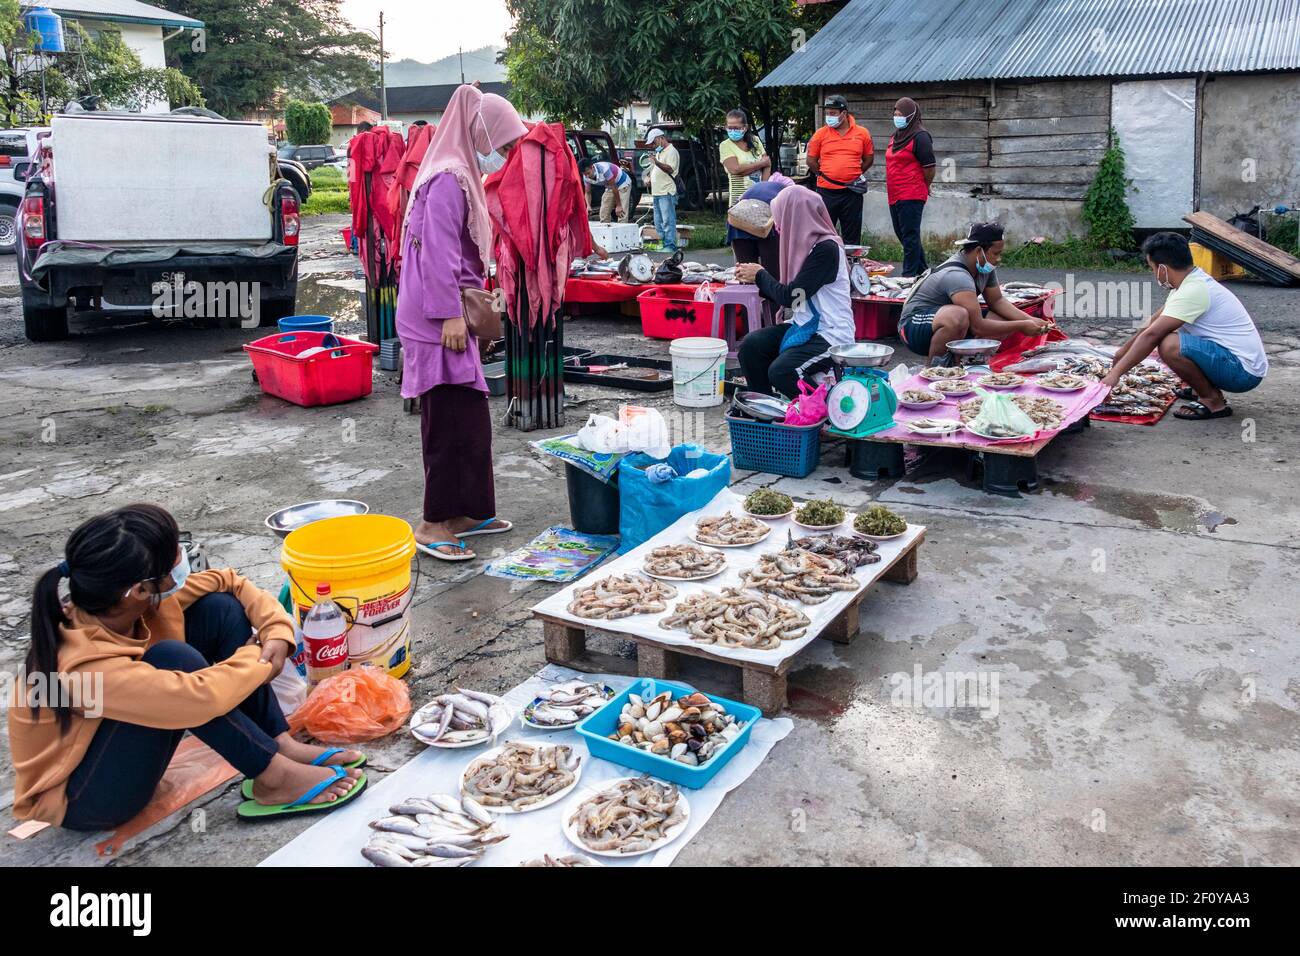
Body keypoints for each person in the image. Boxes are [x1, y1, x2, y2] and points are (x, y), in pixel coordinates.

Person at [6, 504, 367, 829]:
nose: (182, 561)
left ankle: (277, 743)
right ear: (137, 590)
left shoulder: (125, 603)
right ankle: (274, 777)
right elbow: (199, 699)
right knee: (173, 661)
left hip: (113, 740)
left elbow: (231, 582)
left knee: (218, 609)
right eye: (172, 560)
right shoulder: (82, 667)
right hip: (86, 799)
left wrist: (274, 631)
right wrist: (256, 657)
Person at [397, 84, 525, 561]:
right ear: (477, 132)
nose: (501, 153)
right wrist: (450, 315)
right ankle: (432, 523)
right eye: (500, 142)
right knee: (447, 421)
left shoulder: (458, 173)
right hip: (437, 316)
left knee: (470, 419)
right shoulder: (448, 179)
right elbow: (438, 254)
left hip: (449, 312)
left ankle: (466, 512)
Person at [1102, 232, 1267, 420]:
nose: (1153, 273)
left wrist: (1114, 375)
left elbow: (1152, 334)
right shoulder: (1188, 282)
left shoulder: (1194, 289)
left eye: (1152, 268)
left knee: (1169, 344)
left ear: (1162, 269)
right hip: (1234, 360)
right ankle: (1202, 389)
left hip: (1242, 372)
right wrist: (1121, 352)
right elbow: (1154, 320)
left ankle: (1212, 400)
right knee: (1166, 335)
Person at [733, 185, 855, 398]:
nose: (778, 226)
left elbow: (793, 296)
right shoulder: (805, 248)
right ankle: (765, 409)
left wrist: (760, 275)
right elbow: (794, 299)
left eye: (780, 218)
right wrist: (755, 278)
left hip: (831, 333)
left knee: (782, 371)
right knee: (752, 346)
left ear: (794, 218)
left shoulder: (827, 250)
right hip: (804, 325)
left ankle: (825, 413)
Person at [896, 221, 1051, 362]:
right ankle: (937, 370)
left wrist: (1030, 321)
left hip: (945, 322)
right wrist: (1022, 325)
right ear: (979, 251)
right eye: (996, 253)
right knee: (957, 315)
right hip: (913, 327)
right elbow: (978, 327)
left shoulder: (984, 266)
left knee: (1002, 319)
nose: (998, 259)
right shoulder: (957, 275)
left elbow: (997, 301)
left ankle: (967, 361)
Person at [806, 94, 874, 245]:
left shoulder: (862, 133)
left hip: (852, 192)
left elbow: (869, 159)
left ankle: (851, 266)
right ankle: (829, 266)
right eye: (827, 113)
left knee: (852, 236)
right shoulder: (821, 134)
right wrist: (824, 174)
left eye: (833, 113)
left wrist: (854, 173)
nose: (828, 117)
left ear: (844, 114)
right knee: (824, 235)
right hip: (826, 192)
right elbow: (811, 161)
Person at [885, 97, 936, 276]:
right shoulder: (896, 136)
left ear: (911, 116)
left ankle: (908, 276)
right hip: (894, 193)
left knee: (910, 236)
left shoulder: (921, 137)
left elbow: (929, 168)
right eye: (895, 113)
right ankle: (925, 272)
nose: (897, 117)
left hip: (912, 193)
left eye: (901, 114)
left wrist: (924, 185)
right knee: (904, 235)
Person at [727, 174, 793, 278]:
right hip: (765, 223)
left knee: (745, 272)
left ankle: (745, 291)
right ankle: (768, 293)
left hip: (738, 220)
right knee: (771, 275)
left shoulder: (758, 186)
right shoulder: (789, 192)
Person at [718, 108, 770, 208]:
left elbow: (768, 164)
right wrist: (760, 164)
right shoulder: (725, 145)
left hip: (759, 198)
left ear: (745, 127)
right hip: (738, 201)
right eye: (730, 128)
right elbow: (735, 169)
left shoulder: (755, 141)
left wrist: (763, 189)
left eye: (736, 128)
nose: (732, 131)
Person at [645, 128, 680, 252]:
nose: (653, 145)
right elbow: (656, 169)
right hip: (657, 192)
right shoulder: (660, 152)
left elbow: (670, 169)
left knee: (668, 220)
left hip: (667, 192)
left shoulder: (671, 151)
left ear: (661, 138)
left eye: (654, 142)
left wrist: (656, 162)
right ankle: (663, 243)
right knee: (658, 221)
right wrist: (649, 178)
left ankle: (670, 244)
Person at [578, 155, 632, 223]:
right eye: (585, 174)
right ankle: (605, 232)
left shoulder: (604, 169)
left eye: (588, 173)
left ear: (592, 167)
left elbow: (614, 187)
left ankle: (623, 231)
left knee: (622, 213)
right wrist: (588, 206)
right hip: (609, 186)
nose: (587, 176)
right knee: (604, 213)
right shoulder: (585, 177)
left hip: (622, 183)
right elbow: (588, 192)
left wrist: (618, 205)